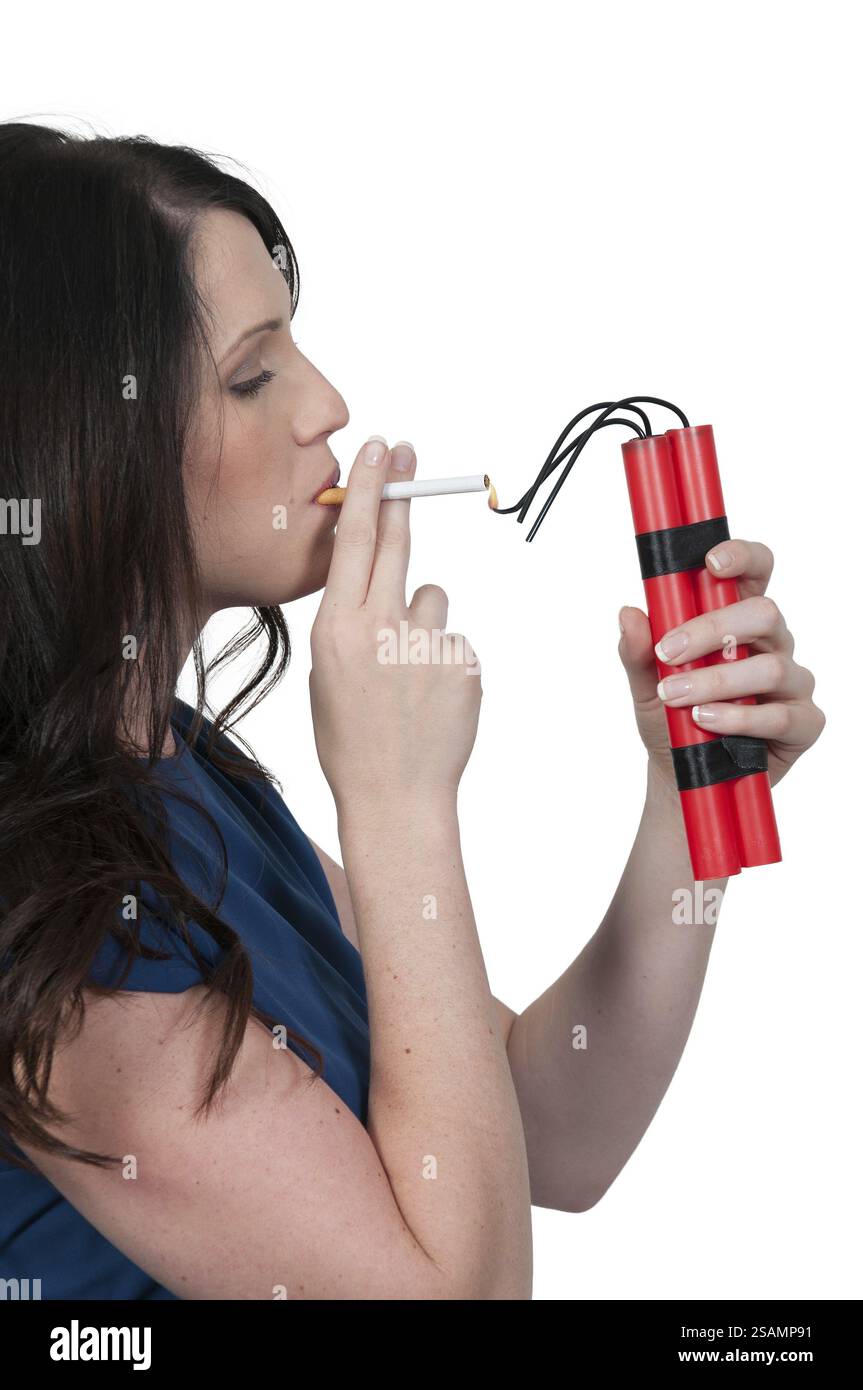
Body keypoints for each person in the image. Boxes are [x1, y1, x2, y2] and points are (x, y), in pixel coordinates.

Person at [0, 123, 825, 1301]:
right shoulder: (46, 923)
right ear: (84, 441)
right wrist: (395, 801)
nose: (328, 403)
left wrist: (686, 789)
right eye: (251, 373)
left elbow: (550, 1124)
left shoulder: (191, 778)